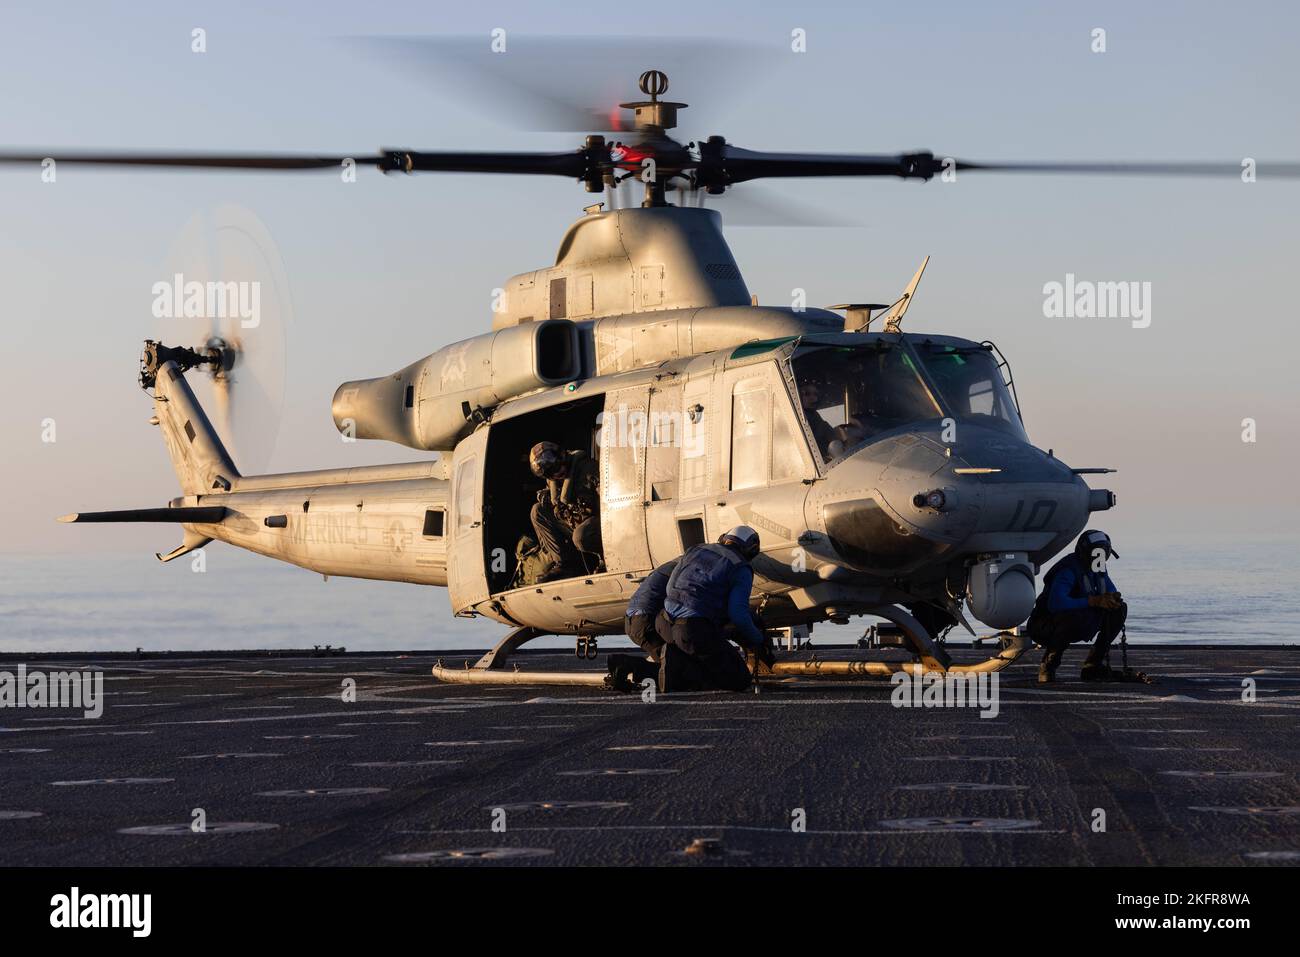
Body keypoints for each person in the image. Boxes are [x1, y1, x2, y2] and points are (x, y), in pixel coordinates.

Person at [655, 526, 774, 692]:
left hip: (663, 622)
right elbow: (738, 614)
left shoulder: (695, 550)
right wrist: (758, 639)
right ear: (752, 549)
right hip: (692, 630)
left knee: (701, 650)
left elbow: (670, 587)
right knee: (740, 680)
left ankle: (677, 657)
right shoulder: (740, 567)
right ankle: (678, 666)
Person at [1028, 529, 1127, 684]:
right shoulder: (1068, 570)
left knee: (1119, 610)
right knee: (1071, 617)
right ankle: (1048, 665)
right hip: (1044, 625)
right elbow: (1056, 604)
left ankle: (1093, 664)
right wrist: (1094, 601)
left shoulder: (1097, 567)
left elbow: (1109, 588)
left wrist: (1112, 598)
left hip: (1080, 619)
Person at [528, 441, 602, 581]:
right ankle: (564, 565)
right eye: (551, 473)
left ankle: (605, 559)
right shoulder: (555, 482)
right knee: (537, 511)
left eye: (556, 466)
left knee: (580, 536)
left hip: (601, 523)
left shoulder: (588, 468)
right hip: (576, 523)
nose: (557, 473)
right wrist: (546, 496)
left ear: (561, 455)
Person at [605, 559, 678, 693]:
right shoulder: (682, 570)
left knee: (668, 664)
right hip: (646, 621)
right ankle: (624, 663)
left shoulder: (668, 567)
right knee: (676, 672)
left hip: (633, 621)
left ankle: (623, 665)